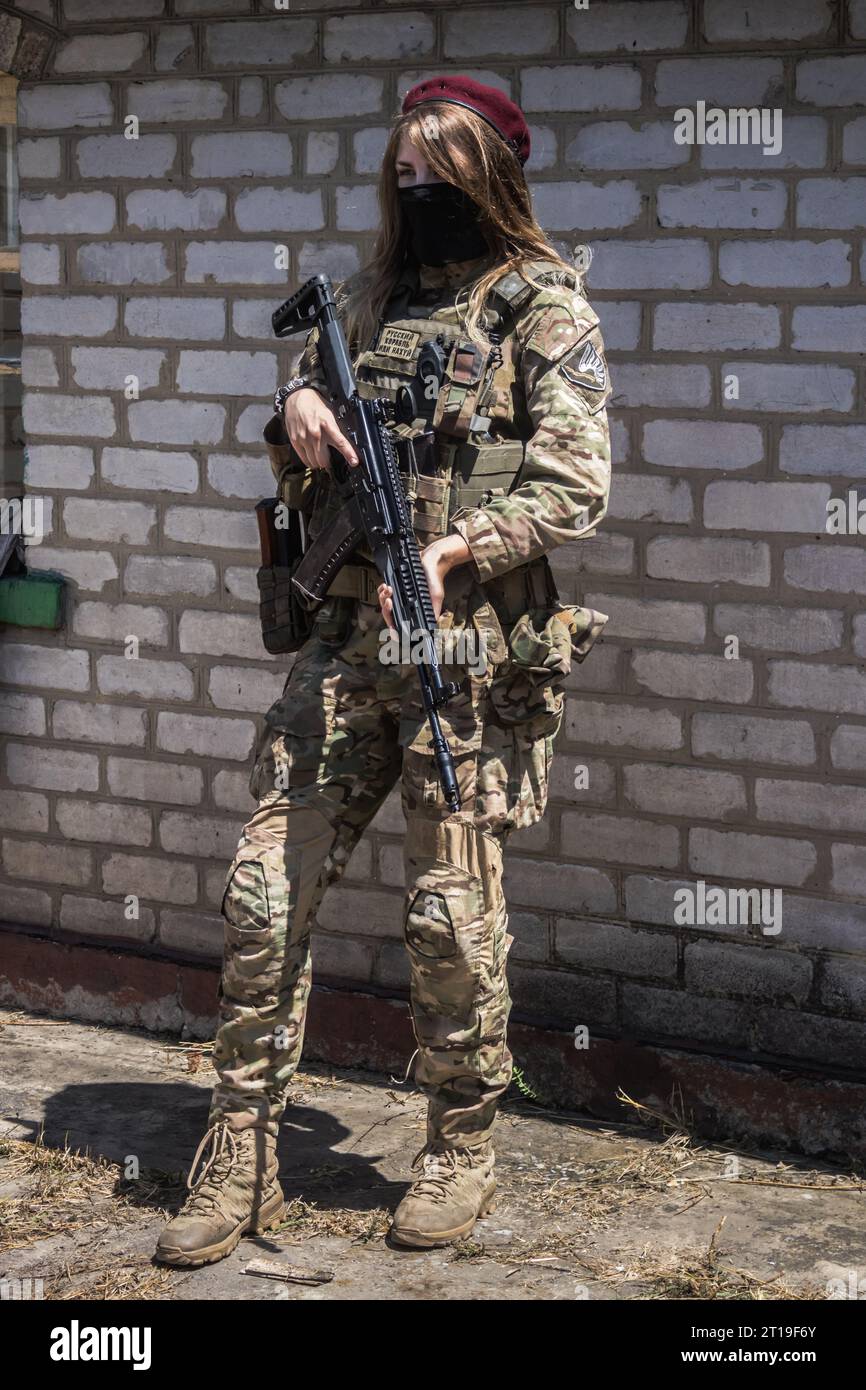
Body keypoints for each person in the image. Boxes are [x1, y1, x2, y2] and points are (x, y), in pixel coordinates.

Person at [156, 75, 612, 1268]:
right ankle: (239, 1142)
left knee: (449, 910)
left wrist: (470, 541)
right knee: (263, 886)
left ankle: (459, 1140)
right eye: (403, 175)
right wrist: (295, 402)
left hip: (462, 651)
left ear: (491, 176)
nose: (420, 195)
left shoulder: (541, 307)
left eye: (442, 176)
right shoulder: (361, 299)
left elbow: (574, 483)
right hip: (346, 647)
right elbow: (298, 415)